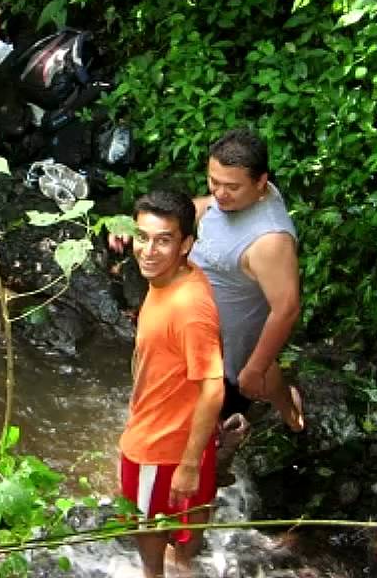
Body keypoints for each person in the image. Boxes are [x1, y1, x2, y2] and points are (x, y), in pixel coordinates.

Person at [118, 189, 224, 578]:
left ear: (186, 245)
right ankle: (181, 564)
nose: (148, 250)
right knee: (189, 514)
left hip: (159, 445)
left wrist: (190, 464)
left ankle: (154, 574)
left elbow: (213, 387)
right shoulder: (174, 277)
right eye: (142, 237)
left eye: (163, 240)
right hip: (175, 429)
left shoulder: (189, 308)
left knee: (144, 521)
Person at [190, 128, 304, 433]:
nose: (219, 193)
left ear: (261, 182)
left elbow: (287, 308)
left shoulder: (270, 242)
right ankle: (293, 416)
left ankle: (292, 421)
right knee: (266, 372)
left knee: (209, 435)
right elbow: (204, 206)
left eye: (231, 187)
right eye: (214, 181)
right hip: (204, 335)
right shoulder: (231, 197)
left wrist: (253, 369)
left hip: (228, 355)